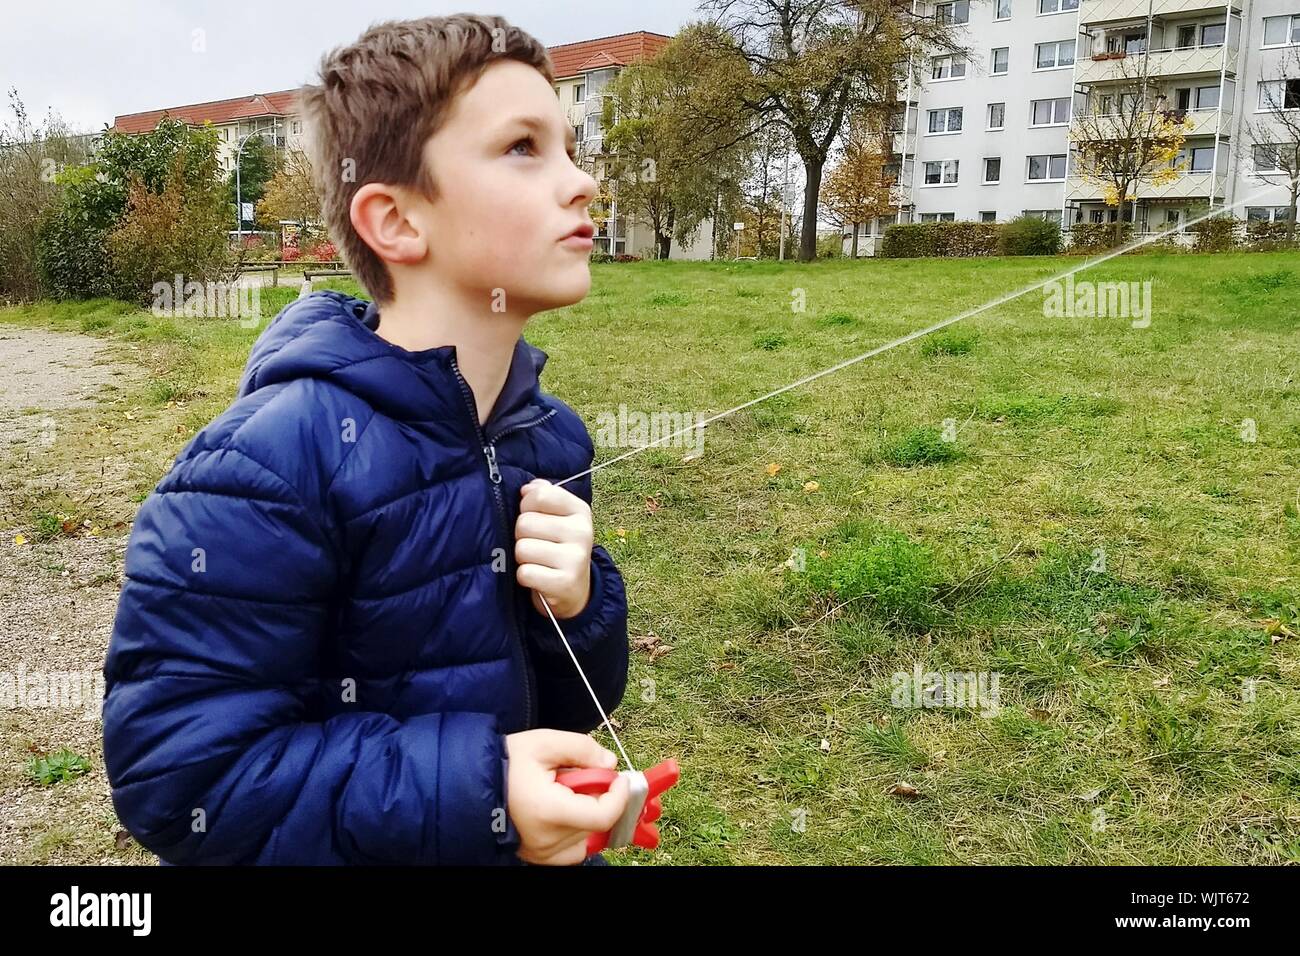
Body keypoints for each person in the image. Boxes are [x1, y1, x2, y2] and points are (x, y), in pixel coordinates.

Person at [102, 13, 631, 866]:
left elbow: (573, 704)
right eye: (524, 148)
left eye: (569, 148)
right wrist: (483, 793)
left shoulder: (550, 438)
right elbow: (184, 779)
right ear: (395, 221)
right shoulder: (265, 467)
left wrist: (580, 606)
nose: (581, 185)